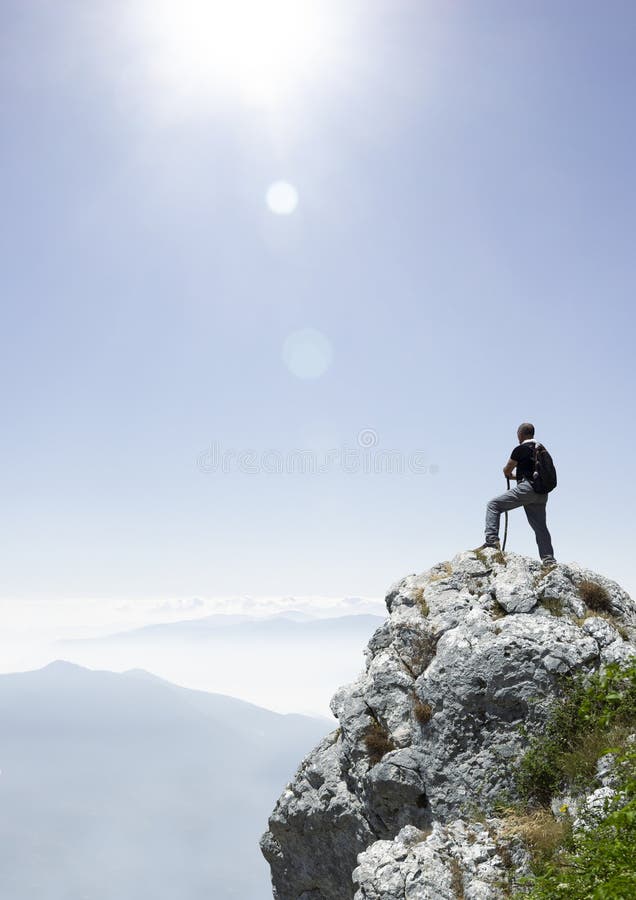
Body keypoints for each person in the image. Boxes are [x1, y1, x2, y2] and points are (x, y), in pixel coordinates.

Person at [477, 422, 556, 565]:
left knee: (493, 505)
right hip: (542, 493)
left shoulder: (520, 449)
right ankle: (549, 560)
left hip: (527, 489)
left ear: (520, 434)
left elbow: (507, 469)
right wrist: (516, 477)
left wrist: (508, 473)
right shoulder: (541, 449)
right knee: (540, 527)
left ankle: (492, 542)